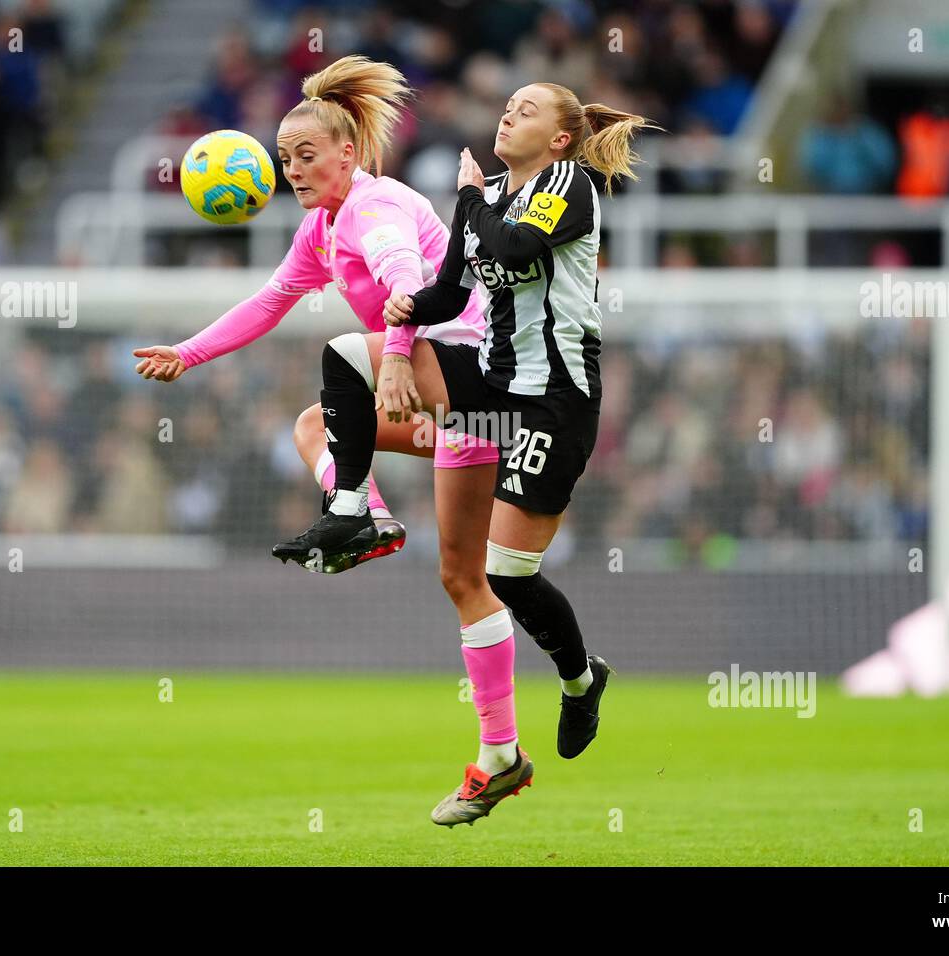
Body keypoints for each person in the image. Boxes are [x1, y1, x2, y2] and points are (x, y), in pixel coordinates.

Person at [274, 81, 658, 825]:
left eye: (528, 109)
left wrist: (471, 201)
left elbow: (514, 247)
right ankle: (354, 510)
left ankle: (581, 682)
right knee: (349, 362)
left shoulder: (565, 186)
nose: (508, 113)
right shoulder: (485, 204)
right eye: (506, 105)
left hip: (557, 403)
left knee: (507, 573)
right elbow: (450, 293)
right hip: (490, 392)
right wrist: (405, 314)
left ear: (558, 139)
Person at [132, 55, 498, 577]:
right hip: (449, 406)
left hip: (471, 368)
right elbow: (267, 304)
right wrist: (187, 354)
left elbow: (407, 281)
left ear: (347, 154)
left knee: (344, 356)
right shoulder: (320, 229)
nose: (294, 171)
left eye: (306, 155)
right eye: (285, 160)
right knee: (314, 430)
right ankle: (372, 517)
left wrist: (393, 359)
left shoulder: (373, 206)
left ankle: (348, 511)